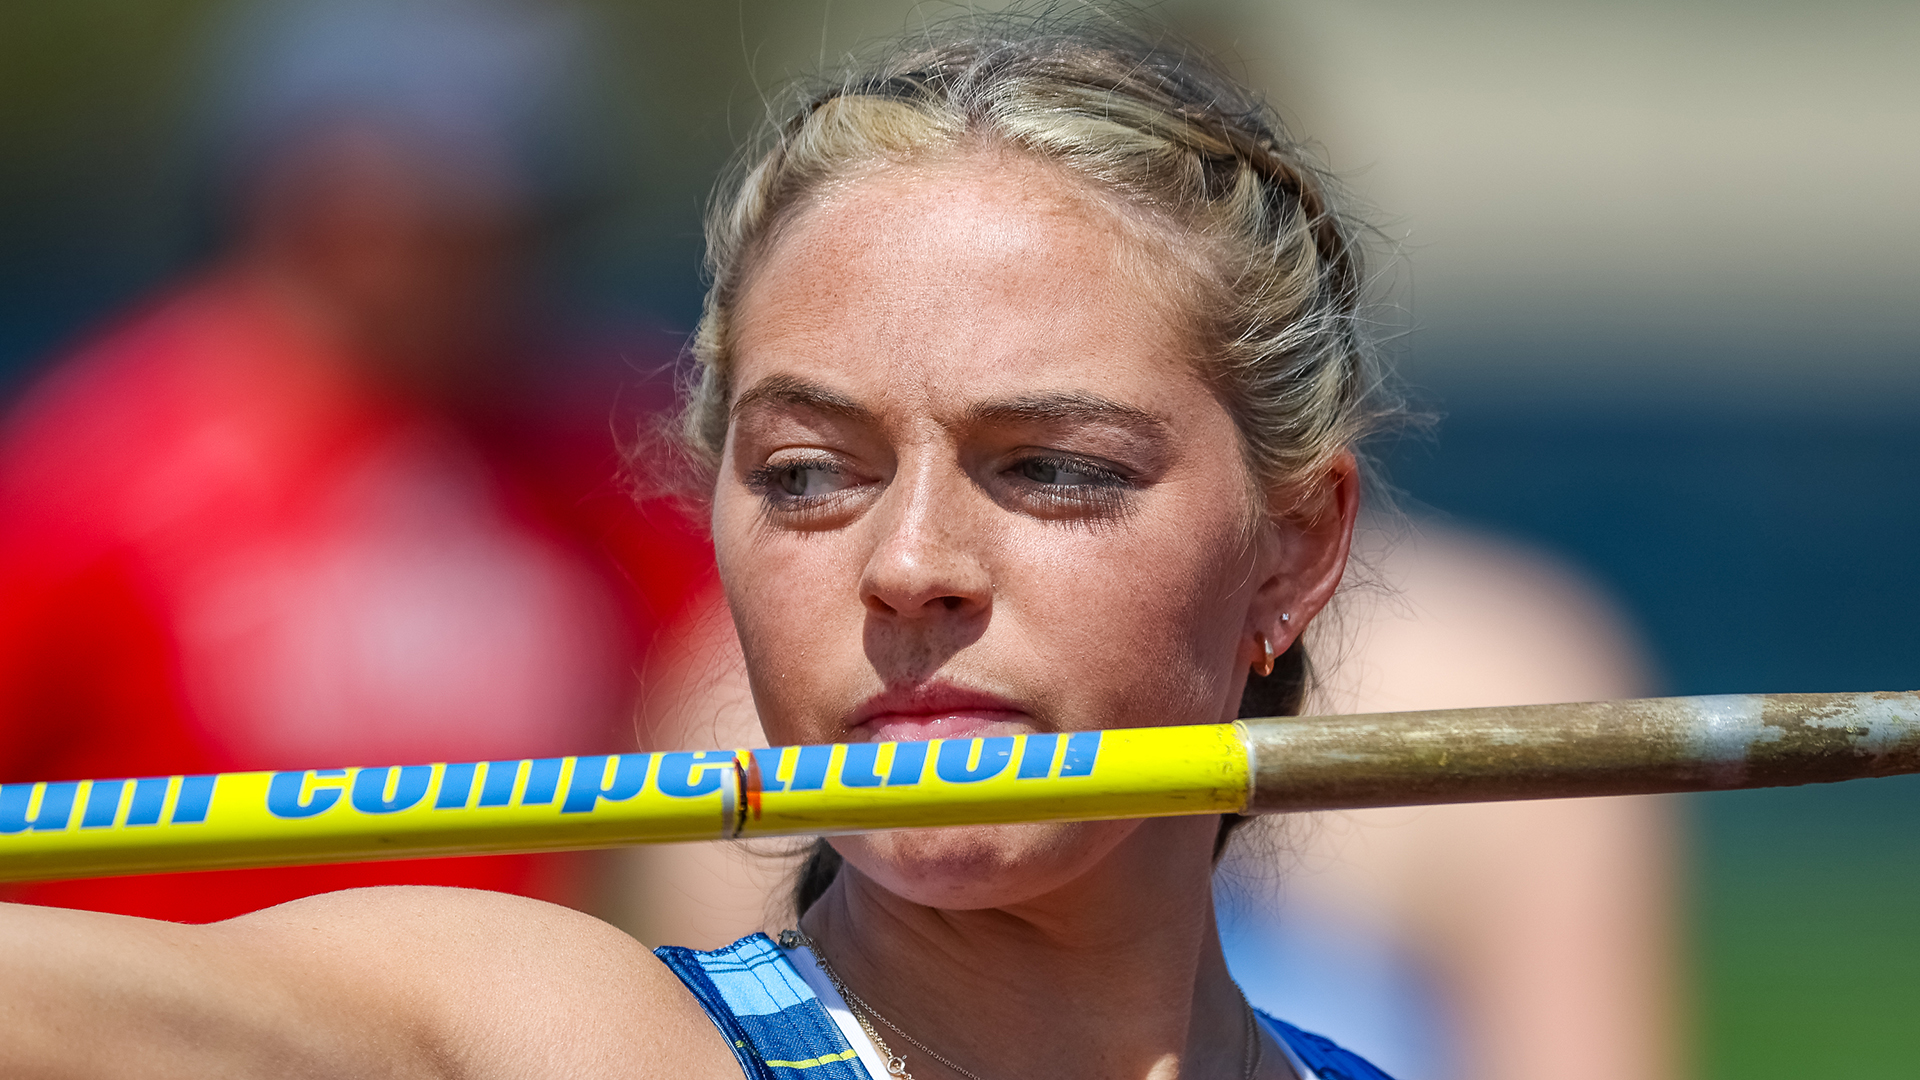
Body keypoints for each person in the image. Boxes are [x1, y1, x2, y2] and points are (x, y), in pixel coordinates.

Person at [0, 15, 1401, 1078]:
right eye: (806, 476)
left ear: (1291, 550)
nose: (908, 563)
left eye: (1049, 468)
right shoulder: (558, 1037)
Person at [0, 0, 712, 922]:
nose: (475, 261)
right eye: (422, 212)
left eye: (511, 219)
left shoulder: (612, 449)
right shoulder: (99, 468)